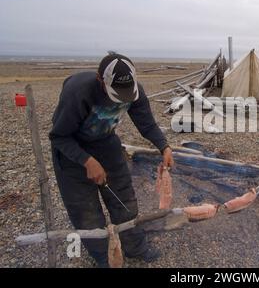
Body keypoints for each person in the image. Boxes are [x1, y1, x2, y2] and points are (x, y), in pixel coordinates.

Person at [49, 52, 174, 267]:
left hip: (107, 144)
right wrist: (87, 161)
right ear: (100, 80)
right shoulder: (78, 93)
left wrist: (165, 146)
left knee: (124, 200)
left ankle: (134, 247)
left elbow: (147, 124)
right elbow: (58, 136)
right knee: (86, 211)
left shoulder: (134, 91)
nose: (124, 97)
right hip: (72, 149)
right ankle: (103, 257)